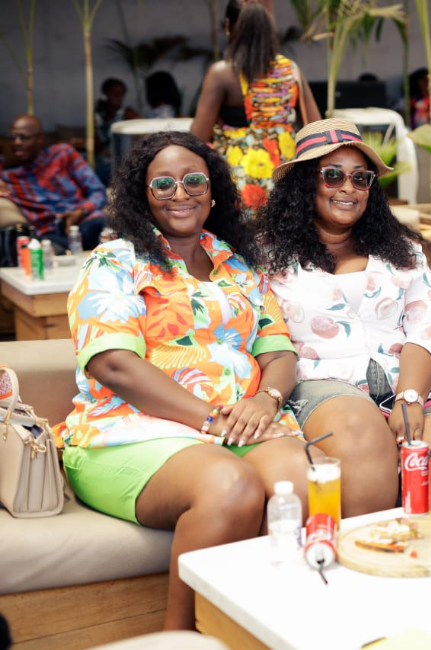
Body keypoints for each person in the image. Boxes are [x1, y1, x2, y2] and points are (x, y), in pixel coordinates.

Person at [60, 130, 312, 630]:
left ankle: (265, 631)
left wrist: (267, 399)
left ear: (213, 192)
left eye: (194, 180)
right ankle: (181, 638)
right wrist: (211, 419)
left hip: (238, 426)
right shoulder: (113, 262)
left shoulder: (238, 265)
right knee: (230, 485)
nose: (181, 193)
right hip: (127, 430)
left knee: (302, 480)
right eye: (164, 184)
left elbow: (278, 349)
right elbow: (113, 364)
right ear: (142, 195)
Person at [254, 118, 431, 517]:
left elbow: (429, 326)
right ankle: (370, 554)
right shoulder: (265, 256)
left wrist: (410, 396)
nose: (348, 187)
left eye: (361, 178)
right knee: (362, 444)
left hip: (412, 383)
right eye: (332, 175)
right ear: (304, 183)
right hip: (323, 385)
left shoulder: (403, 249)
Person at [191, 0, 321, 216]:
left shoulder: (222, 73)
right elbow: (315, 128)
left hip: (239, 179)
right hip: (287, 175)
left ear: (228, 26)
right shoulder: (290, 70)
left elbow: (197, 138)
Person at [0, 114, 106, 250]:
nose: (17, 143)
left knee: (107, 226)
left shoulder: (62, 153)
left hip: (87, 221)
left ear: (40, 139)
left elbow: (98, 191)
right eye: (12, 137)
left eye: (24, 137)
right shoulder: (8, 178)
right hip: (52, 235)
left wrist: (81, 212)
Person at [93, 78, 140, 184]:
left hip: (120, 162)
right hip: (102, 161)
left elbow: (140, 136)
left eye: (121, 94)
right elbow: (97, 145)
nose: (118, 97)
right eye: (114, 93)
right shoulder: (99, 116)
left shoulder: (128, 113)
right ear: (105, 95)